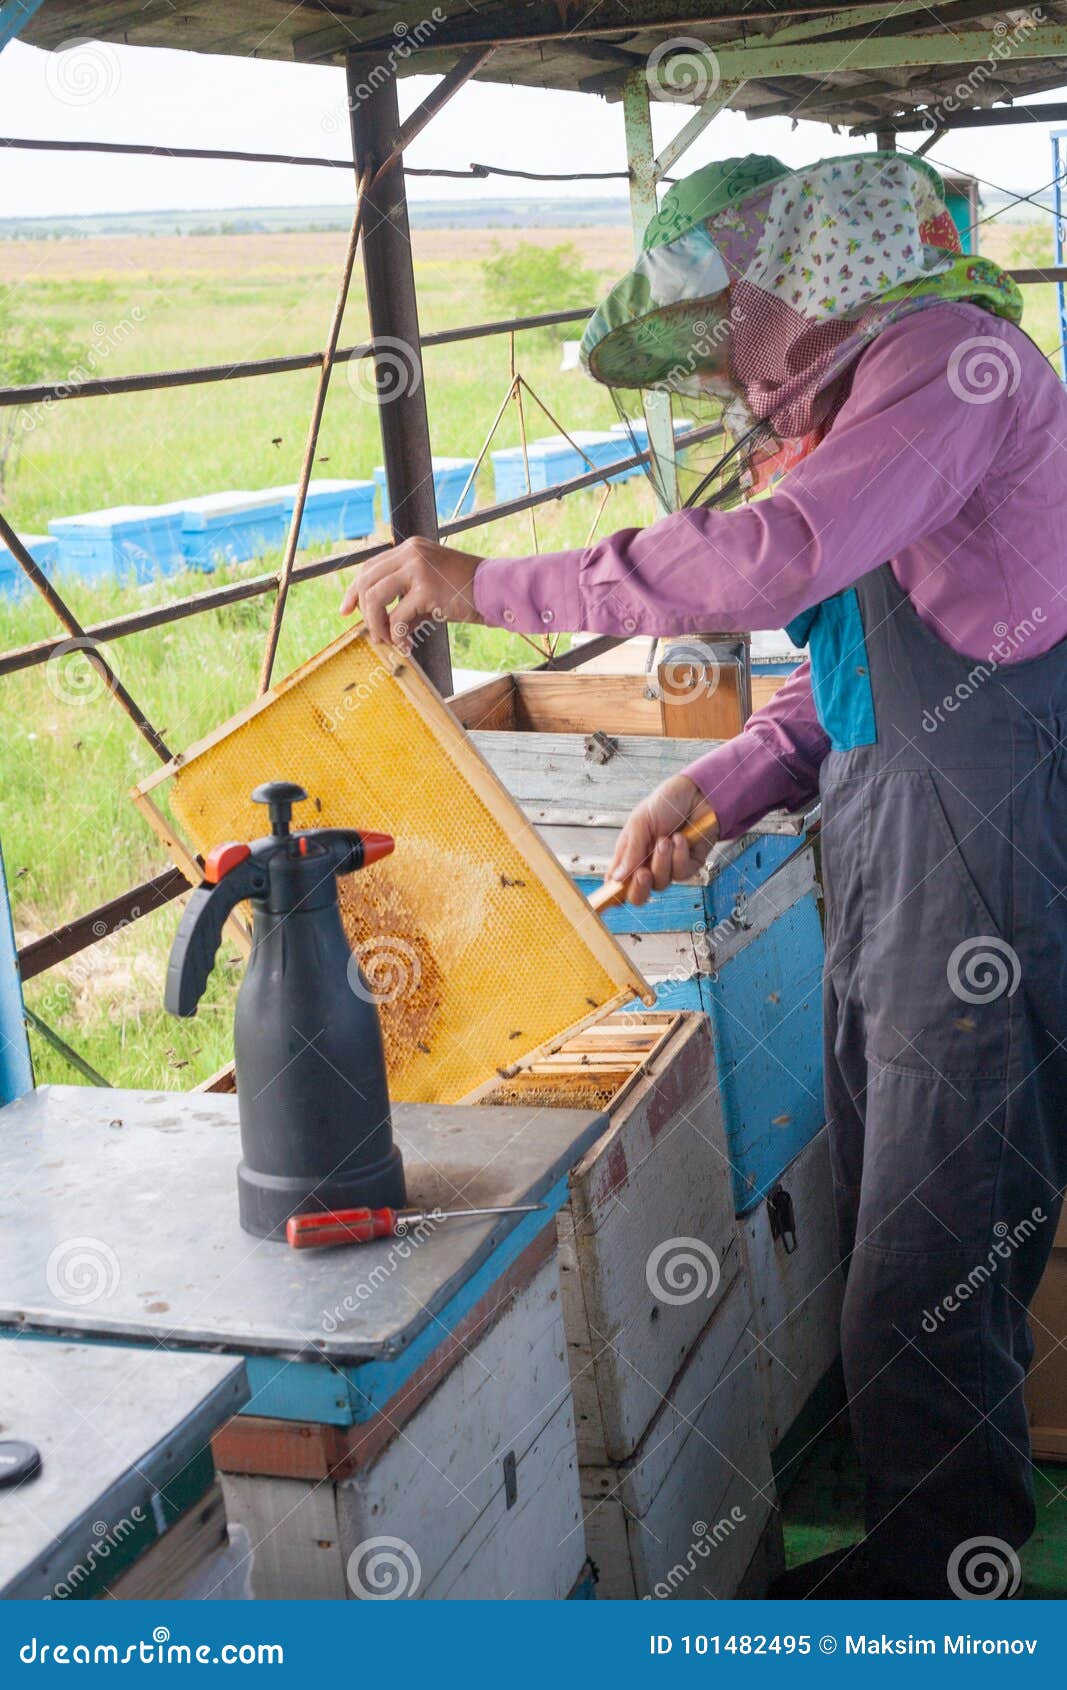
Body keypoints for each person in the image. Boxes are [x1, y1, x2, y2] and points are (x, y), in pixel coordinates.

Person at [342, 152, 1067, 1599]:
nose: (723, 373)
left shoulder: (950, 360)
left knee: (925, 1260)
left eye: (719, 324)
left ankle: (939, 1589)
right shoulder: (873, 396)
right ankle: (937, 1543)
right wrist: (709, 782)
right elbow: (852, 672)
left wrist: (487, 584)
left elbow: (770, 560)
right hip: (889, 842)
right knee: (913, 1226)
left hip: (972, 858)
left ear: (787, 283)